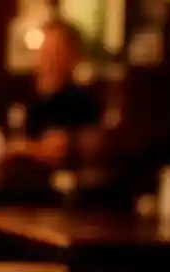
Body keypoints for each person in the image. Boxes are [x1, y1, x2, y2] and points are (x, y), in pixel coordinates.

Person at [9, 19, 104, 167]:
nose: (48, 59)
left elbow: (56, 150)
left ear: (72, 58)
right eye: (44, 50)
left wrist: (24, 148)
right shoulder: (19, 94)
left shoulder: (83, 102)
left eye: (56, 52)